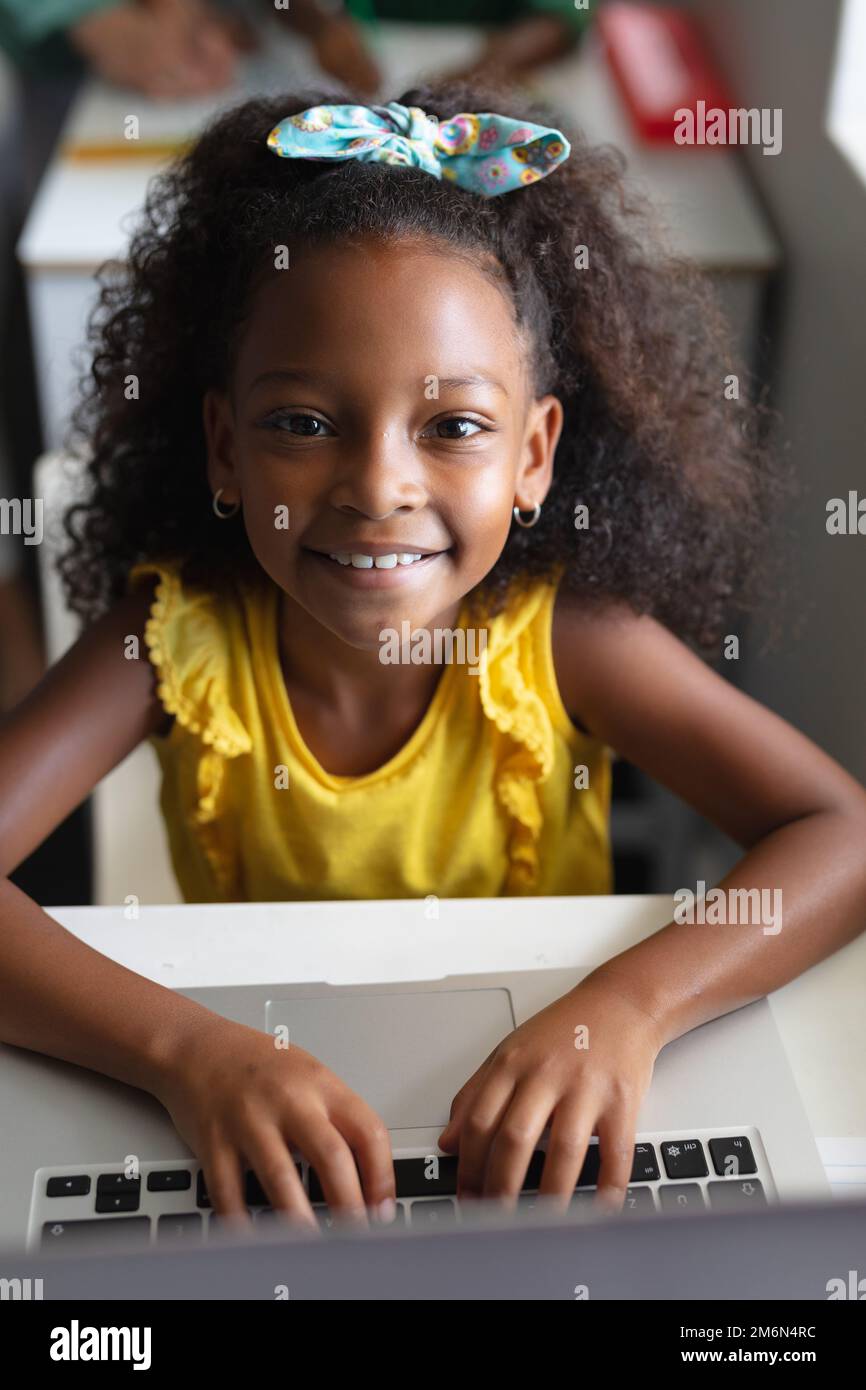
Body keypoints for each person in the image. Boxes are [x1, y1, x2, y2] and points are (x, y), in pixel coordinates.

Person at [1, 82, 865, 1230]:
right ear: (223, 443)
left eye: (452, 427)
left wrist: (624, 1011)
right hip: (254, 1098)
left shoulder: (566, 636)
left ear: (533, 452)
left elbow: (839, 833)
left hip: (527, 1104)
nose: (376, 488)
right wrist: (186, 1054)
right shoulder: (169, 636)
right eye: (302, 424)